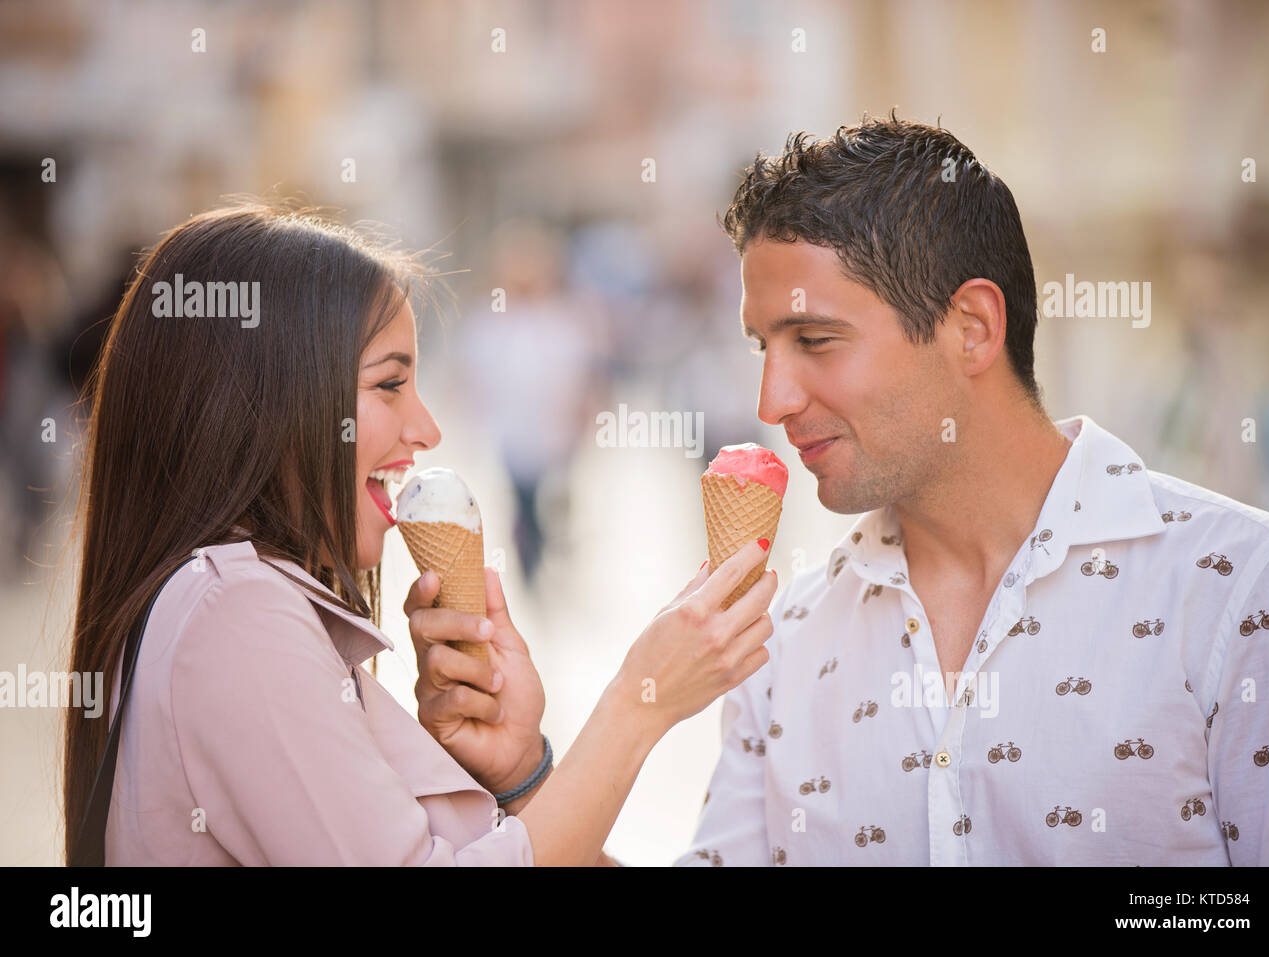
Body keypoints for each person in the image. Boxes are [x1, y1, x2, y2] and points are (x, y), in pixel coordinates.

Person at [419, 112, 1269, 866]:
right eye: (764, 345)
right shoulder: (788, 639)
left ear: (972, 328)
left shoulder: (1246, 588)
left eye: (815, 339)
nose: (772, 400)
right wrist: (528, 773)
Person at [61, 201, 777, 866]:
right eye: (388, 385)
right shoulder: (235, 612)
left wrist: (519, 771)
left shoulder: (232, 606)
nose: (426, 429)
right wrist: (638, 702)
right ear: (265, 406)